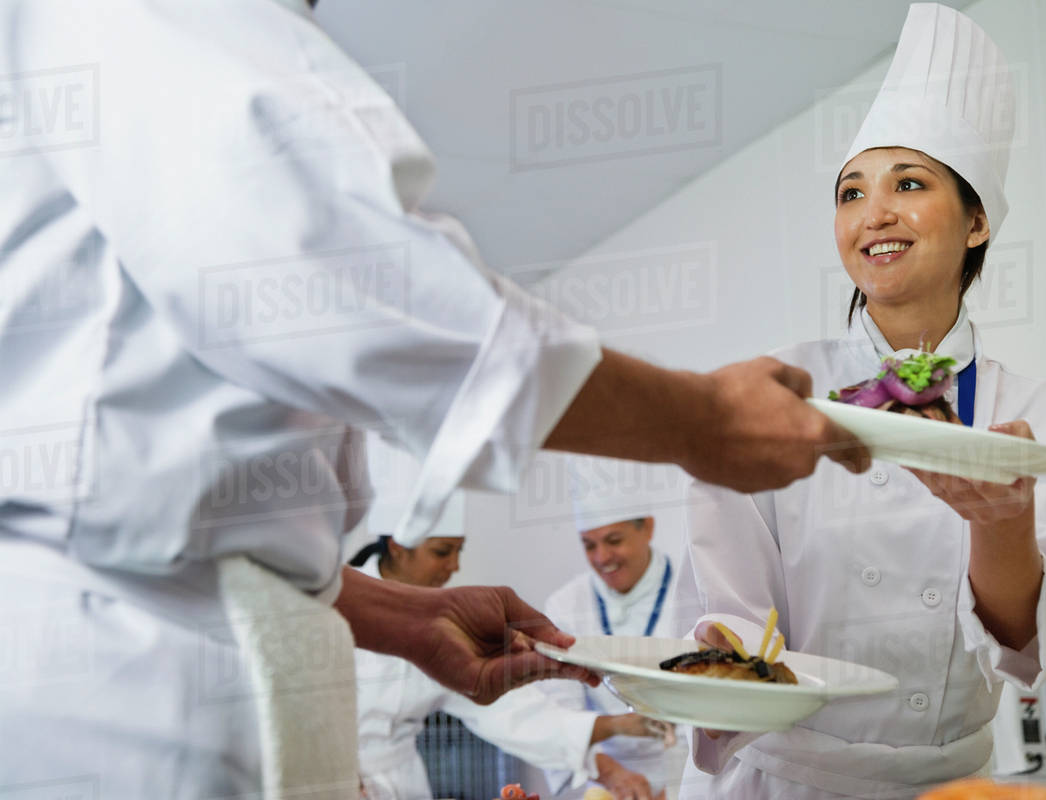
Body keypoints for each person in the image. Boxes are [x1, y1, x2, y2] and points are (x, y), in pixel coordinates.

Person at [0, 2, 872, 798]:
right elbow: (334, 288)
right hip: (129, 688)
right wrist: (702, 420)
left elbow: (169, 466)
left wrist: (404, 619)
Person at [674, 4, 1046, 798]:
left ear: (977, 222)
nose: (873, 213)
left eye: (908, 184)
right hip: (786, 783)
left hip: (951, 785)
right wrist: (704, 668)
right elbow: (729, 615)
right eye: (851, 193)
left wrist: (1001, 525)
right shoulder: (772, 393)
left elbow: (1031, 652)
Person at [349, 527, 668, 800]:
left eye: (459, 551)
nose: (455, 566)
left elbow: (510, 712)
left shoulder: (443, 625)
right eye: (442, 551)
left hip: (402, 784)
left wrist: (608, 756)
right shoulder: (330, 605)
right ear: (397, 548)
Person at [539, 479, 691, 800]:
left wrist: (681, 786)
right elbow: (554, 711)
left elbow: (717, 702)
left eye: (614, 540)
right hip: (604, 774)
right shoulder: (565, 605)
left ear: (647, 528)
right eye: (588, 545)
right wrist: (606, 770)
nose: (602, 557)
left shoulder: (692, 591)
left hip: (690, 771)